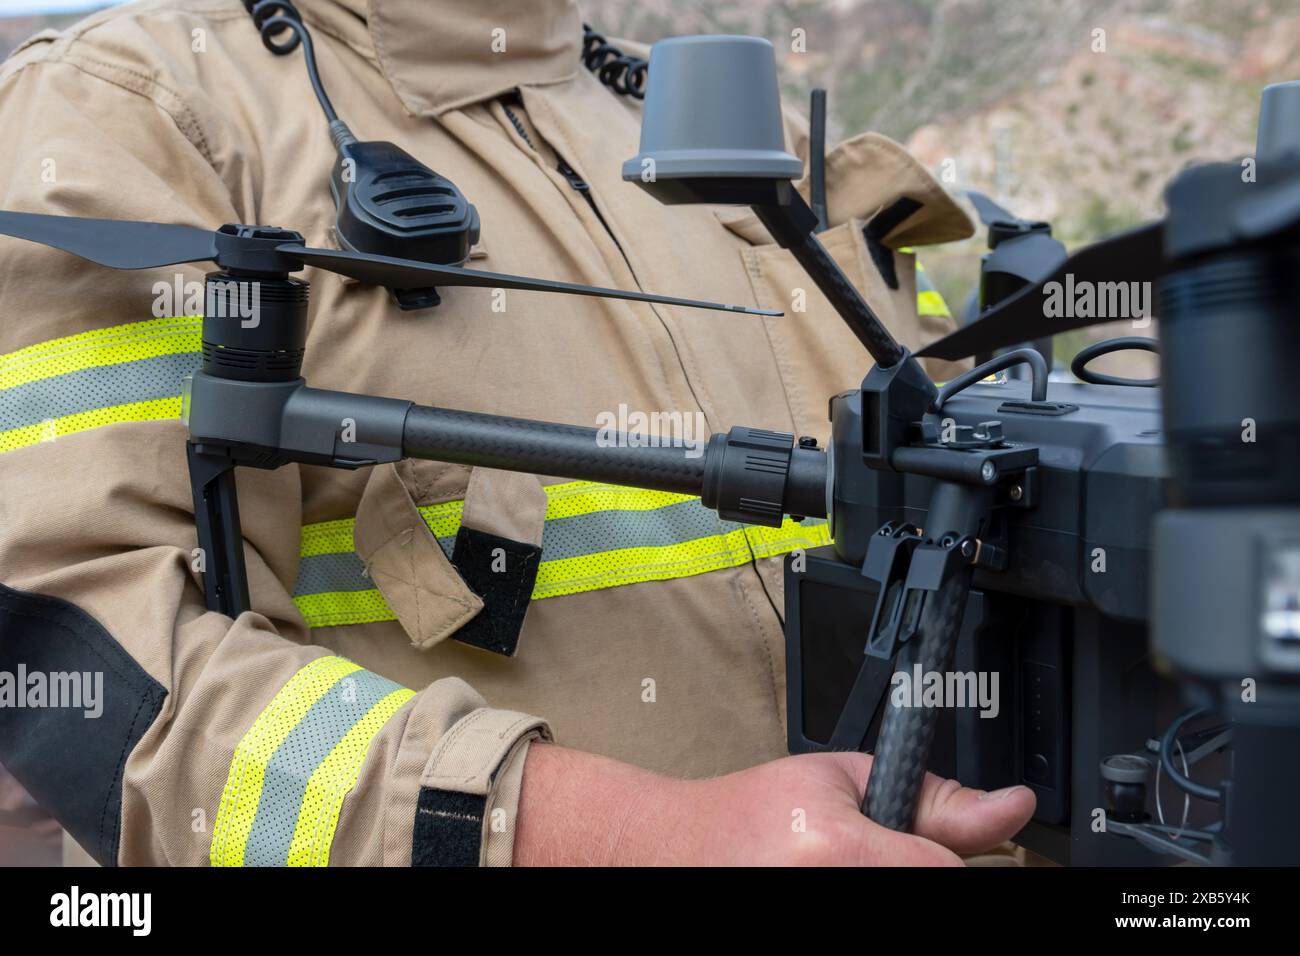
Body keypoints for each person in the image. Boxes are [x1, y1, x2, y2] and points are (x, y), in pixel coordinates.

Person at [0, 0, 1033, 866]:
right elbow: (99, 687)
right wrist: (647, 836)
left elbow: (968, 497)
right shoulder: (135, 112)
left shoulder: (715, 122)